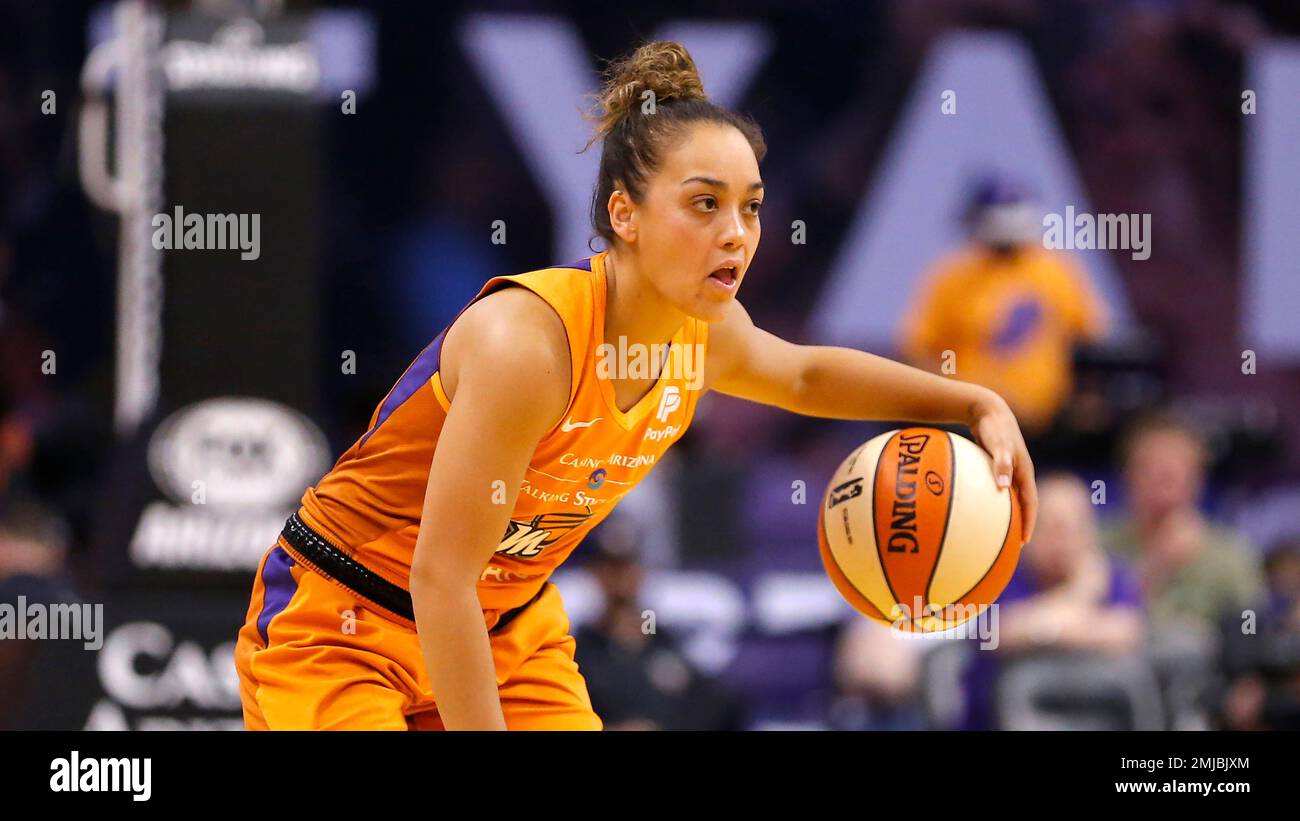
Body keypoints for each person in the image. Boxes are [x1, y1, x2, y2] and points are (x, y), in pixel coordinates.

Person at [234, 41, 1037, 731]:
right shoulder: (530, 345)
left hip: (504, 625)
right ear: (624, 212)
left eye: (752, 208)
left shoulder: (705, 333)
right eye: (704, 204)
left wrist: (971, 402)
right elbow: (438, 576)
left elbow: (802, 372)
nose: (737, 233)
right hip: (345, 618)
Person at [899, 175, 1108, 437]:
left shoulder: (1055, 270)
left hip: (1044, 422)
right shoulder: (952, 275)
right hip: (968, 420)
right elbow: (923, 349)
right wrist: (948, 390)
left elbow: (1089, 340)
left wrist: (1085, 395)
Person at [960, 472, 1144, 730]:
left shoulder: (1111, 572)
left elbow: (1124, 634)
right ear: (1028, 529)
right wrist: (1079, 595)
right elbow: (997, 635)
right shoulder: (1000, 573)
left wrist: (1040, 627)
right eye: (1054, 528)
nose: (1064, 541)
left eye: (1075, 528)